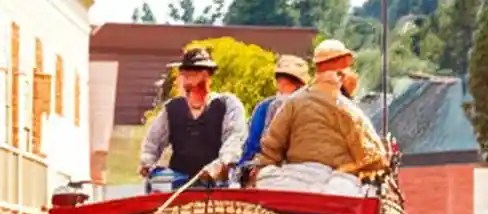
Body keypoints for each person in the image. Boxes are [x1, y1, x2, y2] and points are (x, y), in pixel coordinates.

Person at [252, 39, 389, 192]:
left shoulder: (292, 103)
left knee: (266, 177)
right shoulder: (349, 111)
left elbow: (271, 148)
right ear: (342, 75)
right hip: (334, 184)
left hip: (293, 180)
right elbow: (375, 158)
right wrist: (345, 169)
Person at [139, 47, 247, 186]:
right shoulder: (172, 108)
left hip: (217, 186)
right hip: (179, 184)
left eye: (195, 72)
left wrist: (221, 165)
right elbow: (152, 143)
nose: (188, 76)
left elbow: (235, 139)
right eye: (186, 72)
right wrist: (147, 163)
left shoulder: (227, 104)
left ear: (206, 75)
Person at [240, 55, 309, 166]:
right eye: (281, 79)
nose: (284, 84)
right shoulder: (264, 108)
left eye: (292, 81)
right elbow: (252, 147)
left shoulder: (311, 108)